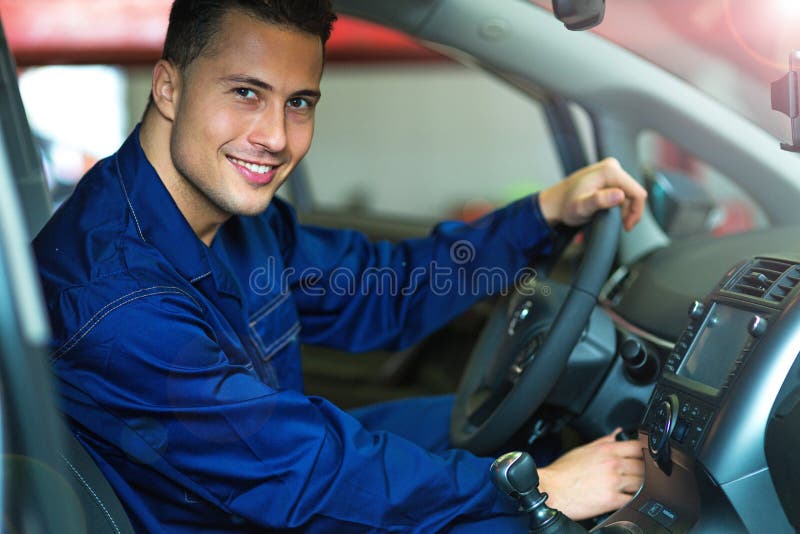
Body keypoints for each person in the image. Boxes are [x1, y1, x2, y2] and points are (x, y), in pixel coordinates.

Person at [34, 0, 648, 531]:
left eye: (298, 102)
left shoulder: (230, 219)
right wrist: (541, 490)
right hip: (239, 509)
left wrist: (544, 214)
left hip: (267, 482)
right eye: (246, 93)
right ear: (168, 87)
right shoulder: (117, 302)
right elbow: (302, 473)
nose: (275, 136)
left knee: (511, 424)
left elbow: (385, 290)